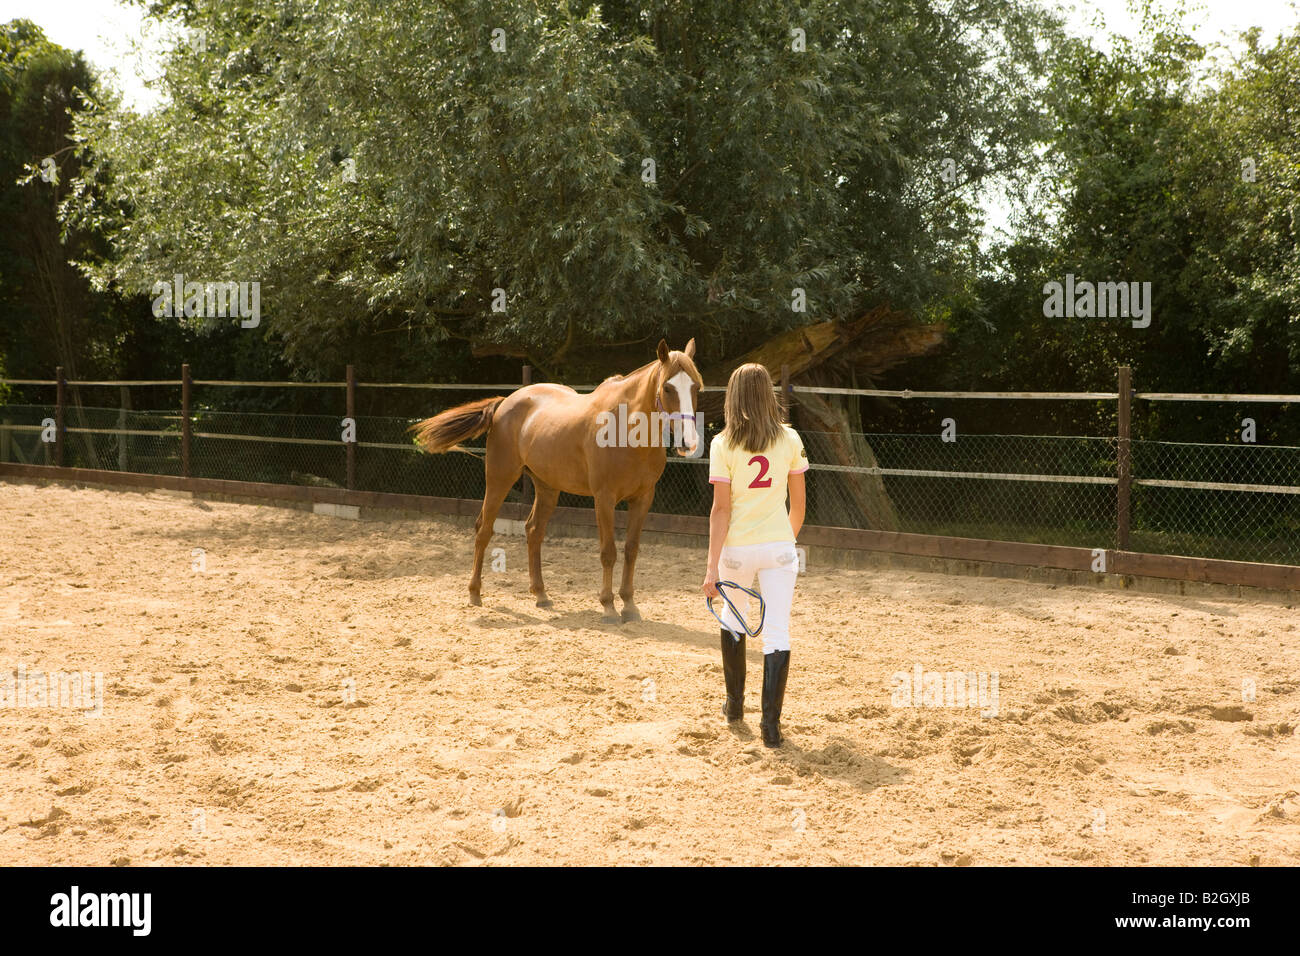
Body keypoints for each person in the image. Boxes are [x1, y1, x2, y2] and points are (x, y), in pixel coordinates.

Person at [702, 363, 807, 747]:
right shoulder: (790, 439)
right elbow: (799, 505)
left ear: (733, 397)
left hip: (737, 550)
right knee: (777, 630)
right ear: (769, 395)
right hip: (778, 546)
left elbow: (721, 510)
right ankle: (771, 727)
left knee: (734, 619)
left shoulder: (722, 443)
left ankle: (734, 706)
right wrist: (783, 545)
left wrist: (712, 567)